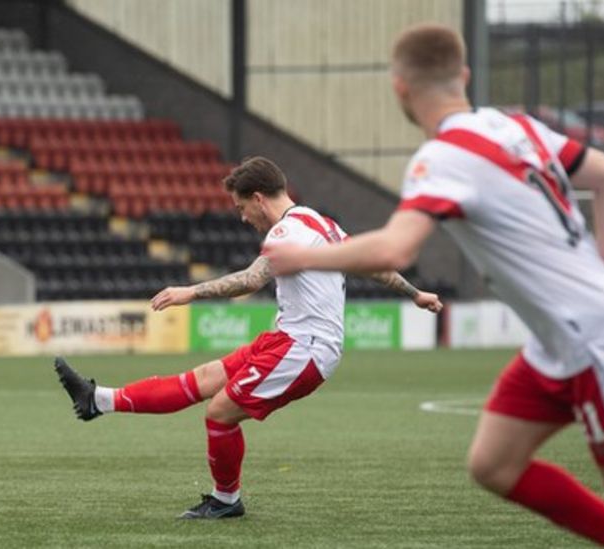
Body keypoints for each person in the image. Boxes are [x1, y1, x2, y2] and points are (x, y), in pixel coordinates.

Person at [265, 23, 604, 548]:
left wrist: (299, 256)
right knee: (494, 464)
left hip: (600, 340)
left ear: (399, 88)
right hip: (560, 342)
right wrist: (603, 277)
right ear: (465, 76)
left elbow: (394, 250)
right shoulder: (515, 126)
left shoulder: (442, 159)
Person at [54, 156, 443, 519]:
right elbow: (372, 264)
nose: (243, 218)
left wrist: (191, 292)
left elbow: (251, 279)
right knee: (204, 379)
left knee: (220, 413)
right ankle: (97, 400)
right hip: (287, 339)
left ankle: (226, 500)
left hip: (305, 350)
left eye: (242, 208)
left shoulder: (287, 231)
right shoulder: (319, 222)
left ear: (258, 198)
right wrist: (415, 294)